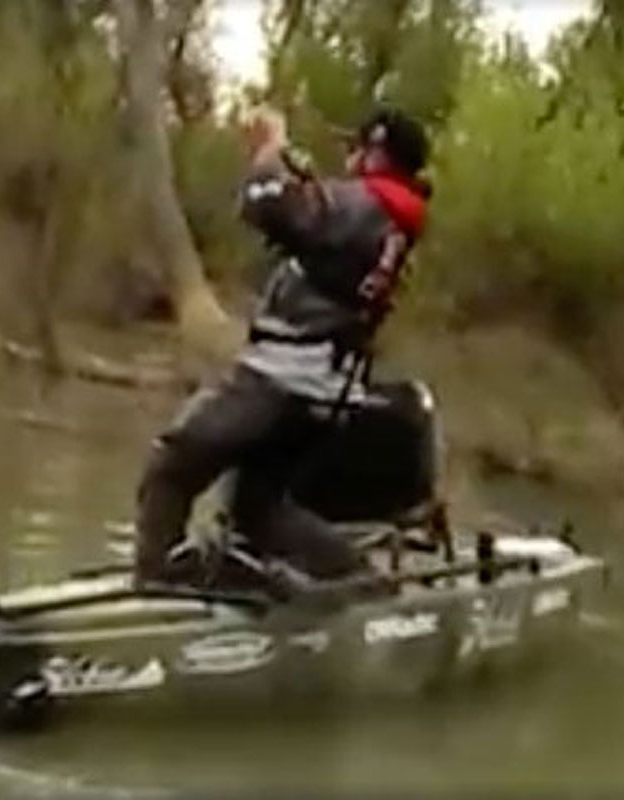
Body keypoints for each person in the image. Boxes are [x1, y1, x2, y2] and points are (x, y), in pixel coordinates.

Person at [134, 104, 432, 585]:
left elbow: (266, 205)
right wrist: (289, 167)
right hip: (318, 387)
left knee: (172, 464)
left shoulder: (370, 206)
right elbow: (316, 224)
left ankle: (153, 583)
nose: (350, 157)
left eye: (358, 148)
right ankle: (359, 585)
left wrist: (270, 148)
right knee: (259, 509)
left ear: (378, 153)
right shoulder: (388, 217)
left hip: (281, 378)